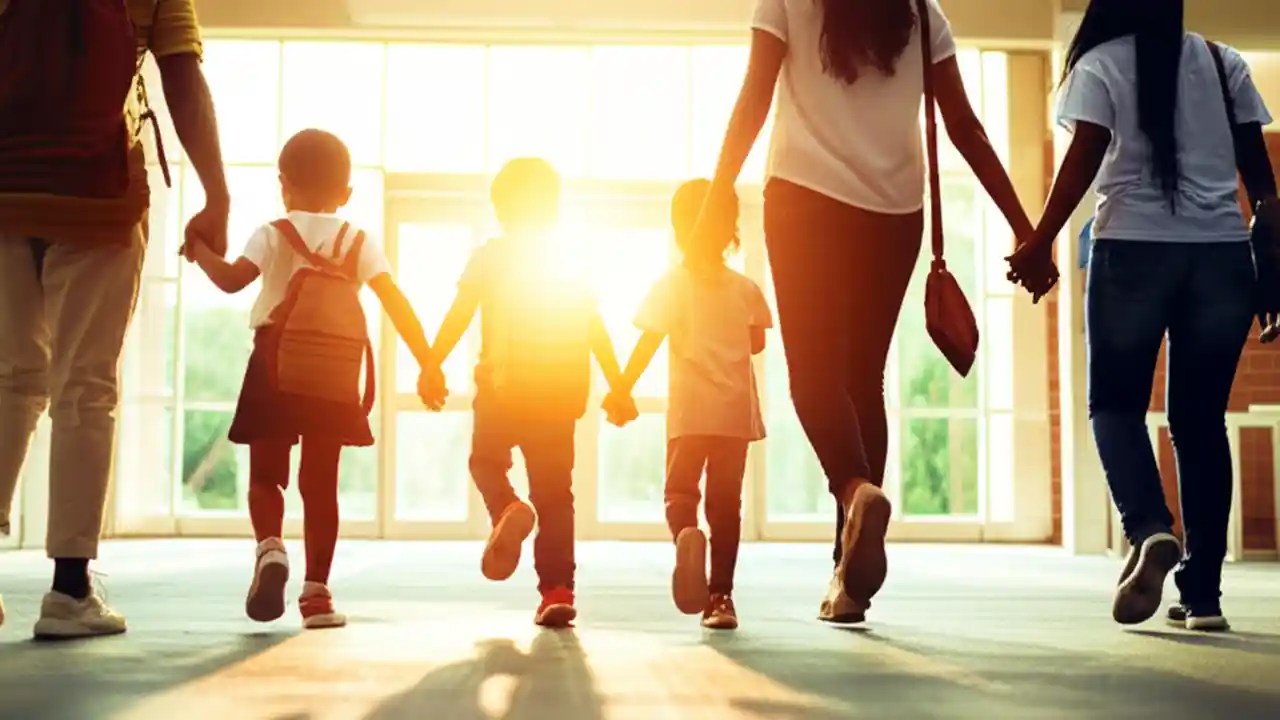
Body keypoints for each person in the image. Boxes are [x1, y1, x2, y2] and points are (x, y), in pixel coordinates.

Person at [698, 0, 1033, 623]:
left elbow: (753, 100)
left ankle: (854, 493)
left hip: (804, 198)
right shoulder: (920, 12)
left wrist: (715, 197)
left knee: (813, 377)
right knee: (863, 380)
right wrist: (1023, 228)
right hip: (893, 213)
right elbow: (965, 126)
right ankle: (847, 580)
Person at [1007, 0, 1277, 631]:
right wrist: (1271, 262)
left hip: (1132, 251)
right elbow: (1263, 186)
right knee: (1201, 422)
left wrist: (1040, 238)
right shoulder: (1223, 62)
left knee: (1115, 406)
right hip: (1220, 257)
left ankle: (1151, 528)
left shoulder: (1098, 66)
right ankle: (1204, 597)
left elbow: (1085, 158)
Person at [0, 0, 227, 639]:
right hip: (97, 195)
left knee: (11, 381)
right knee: (85, 390)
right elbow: (181, 75)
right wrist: (216, 192)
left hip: (5, 190)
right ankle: (69, 591)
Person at [185, 129, 443, 629]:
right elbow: (396, 303)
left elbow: (233, 280)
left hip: (273, 365)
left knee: (266, 475)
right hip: (333, 373)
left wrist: (198, 251)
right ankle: (317, 595)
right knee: (320, 484)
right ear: (346, 193)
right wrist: (428, 363)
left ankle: (270, 549)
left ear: (284, 185)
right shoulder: (357, 241)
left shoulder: (272, 232)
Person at [428, 158, 627, 628]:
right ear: (555, 209)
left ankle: (507, 507)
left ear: (500, 210)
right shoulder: (569, 260)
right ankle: (557, 591)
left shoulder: (490, 256)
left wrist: (432, 363)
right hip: (559, 392)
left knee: (485, 461)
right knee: (556, 493)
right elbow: (594, 327)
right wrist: (618, 384)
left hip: (501, 388)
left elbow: (459, 313)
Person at [611, 179, 773, 631]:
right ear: (730, 230)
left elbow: (647, 343)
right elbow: (757, 342)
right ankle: (721, 598)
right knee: (726, 506)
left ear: (679, 230)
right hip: (734, 414)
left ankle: (685, 534)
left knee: (680, 493)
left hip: (689, 413)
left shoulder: (670, 286)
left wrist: (621, 387)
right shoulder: (745, 289)